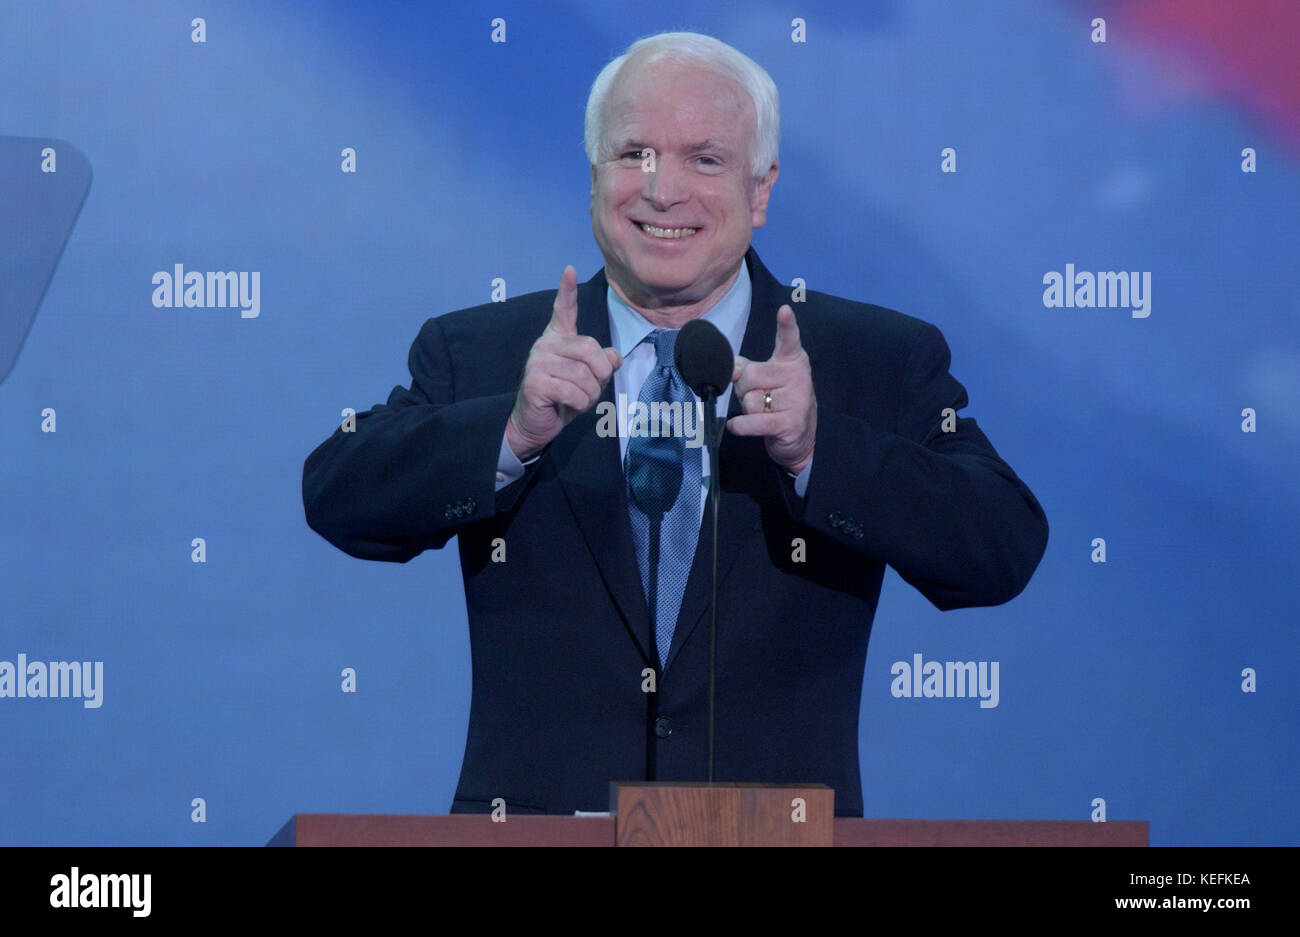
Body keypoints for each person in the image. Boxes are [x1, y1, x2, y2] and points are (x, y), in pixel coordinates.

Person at [302, 32, 1048, 817]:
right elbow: (339, 491)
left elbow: (1002, 544)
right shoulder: (487, 355)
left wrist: (821, 451)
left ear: (761, 191)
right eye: (634, 154)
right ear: (594, 181)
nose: (663, 190)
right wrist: (511, 433)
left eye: (705, 159)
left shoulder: (872, 360)